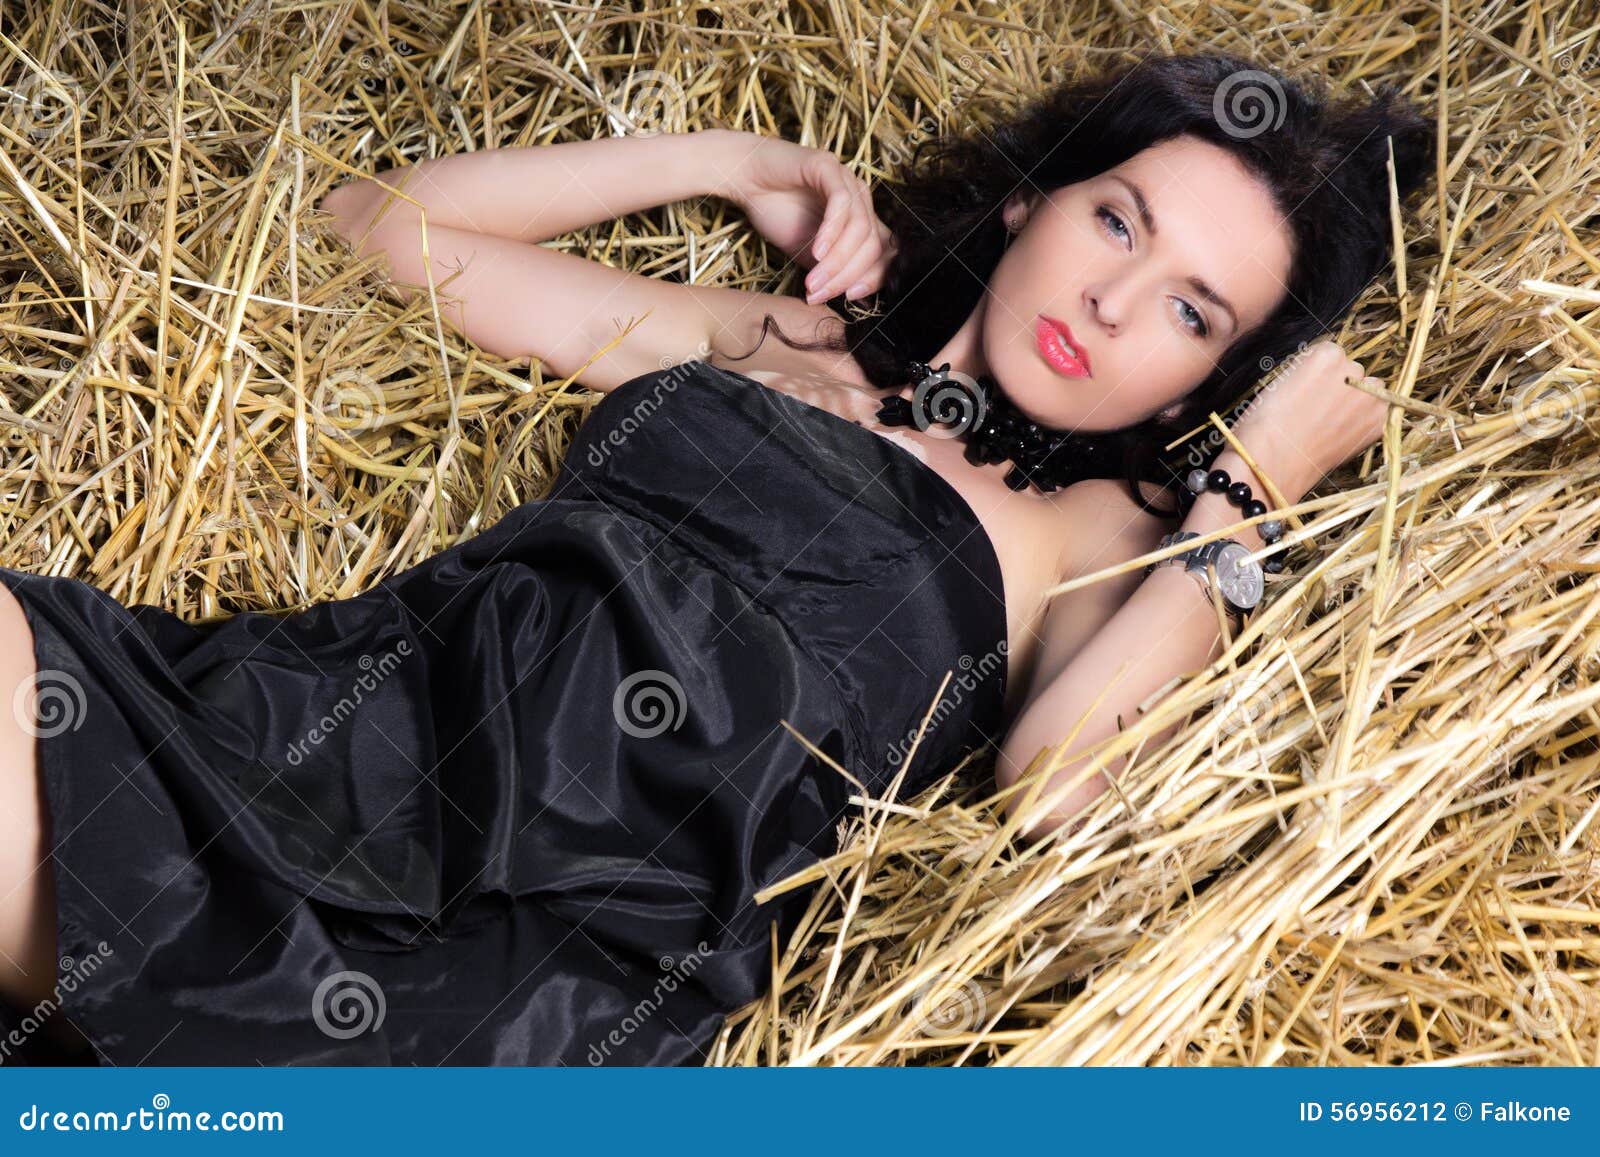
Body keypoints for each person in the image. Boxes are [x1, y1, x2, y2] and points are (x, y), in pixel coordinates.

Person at [0, 51, 1433, 1065]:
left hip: (530, 954)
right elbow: (378, 227)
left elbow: (1060, 795)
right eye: (1115, 219)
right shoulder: (775, 341)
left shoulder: (1109, 545)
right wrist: (730, 165)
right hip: (327, 746)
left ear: (1203, 386)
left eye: (1190, 313)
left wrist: (1245, 500)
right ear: (1032, 200)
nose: (1113, 302)